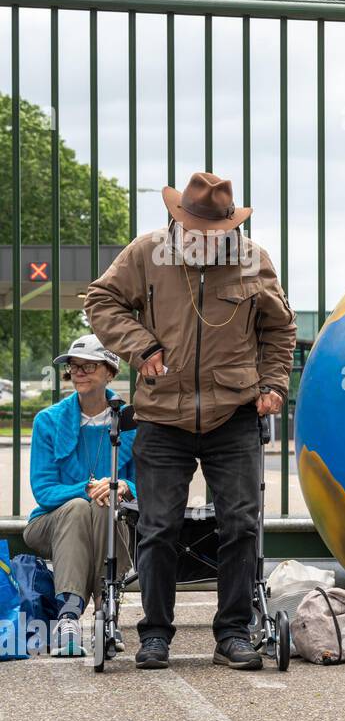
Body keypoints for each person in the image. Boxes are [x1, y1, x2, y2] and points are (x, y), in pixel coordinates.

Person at [85, 172, 296, 671]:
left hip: (233, 413)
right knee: (157, 527)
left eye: (218, 232)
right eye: (197, 230)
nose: (208, 240)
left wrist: (273, 384)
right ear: (180, 222)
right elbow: (101, 300)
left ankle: (233, 633)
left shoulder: (253, 260)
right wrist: (143, 348)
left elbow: (280, 329)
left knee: (241, 525)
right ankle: (154, 633)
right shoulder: (146, 253)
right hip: (162, 414)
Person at [23, 335, 136, 656]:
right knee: (78, 505)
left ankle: (103, 614)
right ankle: (72, 616)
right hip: (51, 523)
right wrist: (87, 489)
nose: (79, 373)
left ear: (111, 372)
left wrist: (124, 486)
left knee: (105, 502)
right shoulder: (48, 420)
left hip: (110, 522)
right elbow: (44, 491)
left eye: (89, 366)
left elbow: (146, 485)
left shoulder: (132, 422)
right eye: (74, 367)